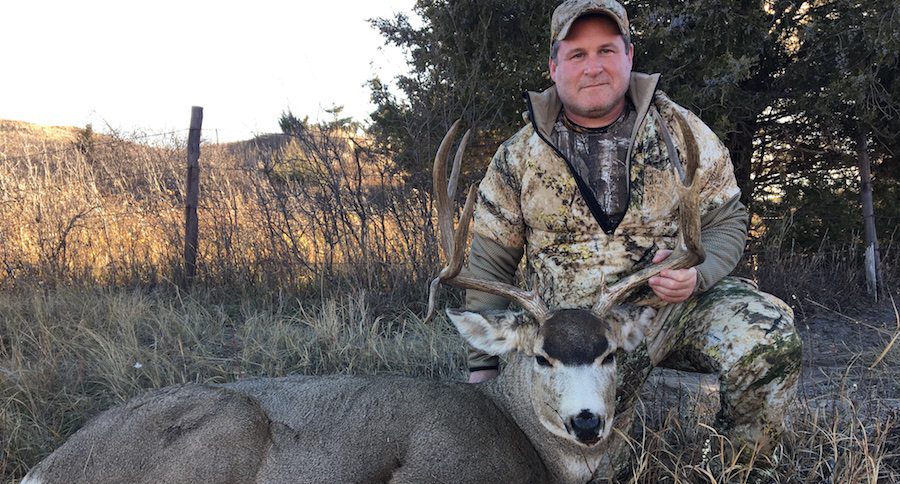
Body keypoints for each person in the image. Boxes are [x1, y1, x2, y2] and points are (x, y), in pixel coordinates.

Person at [463, 0, 801, 477]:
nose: (594, 66)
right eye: (577, 54)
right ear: (554, 66)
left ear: (629, 55)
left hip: (668, 308)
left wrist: (697, 275)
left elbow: (727, 218)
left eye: (606, 50)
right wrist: (483, 366)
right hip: (571, 336)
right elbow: (489, 263)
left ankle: (745, 469)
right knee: (603, 470)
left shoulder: (681, 132)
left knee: (768, 338)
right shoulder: (518, 156)